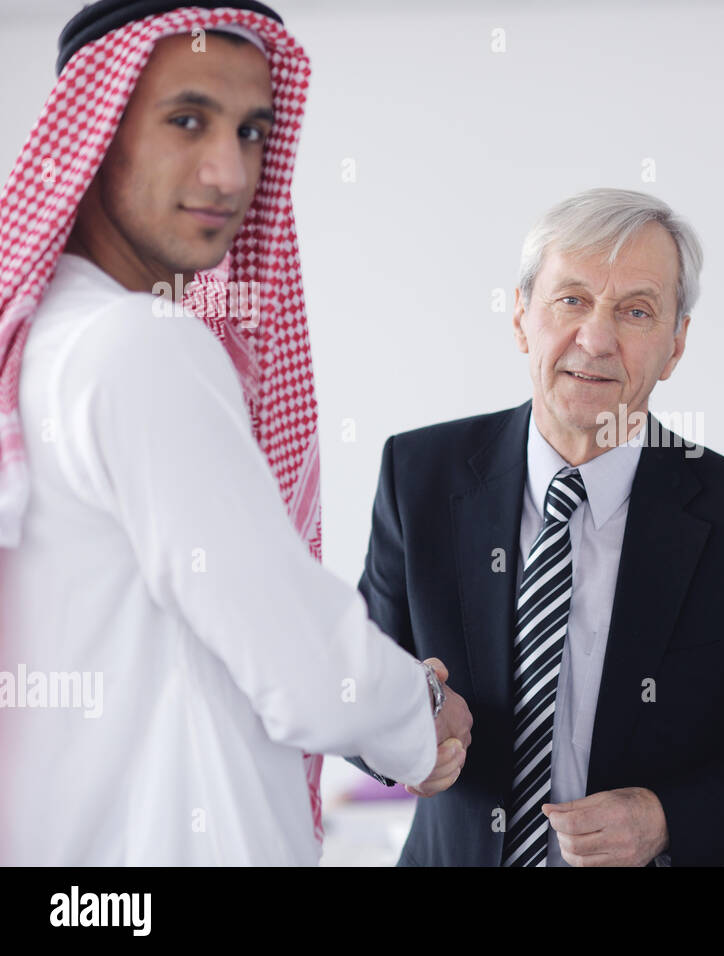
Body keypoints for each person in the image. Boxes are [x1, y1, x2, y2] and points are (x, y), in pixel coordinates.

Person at [0, 1, 466, 865]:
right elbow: (310, 672)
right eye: (188, 121)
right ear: (93, 131)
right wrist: (422, 715)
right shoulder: (137, 343)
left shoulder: (45, 341)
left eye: (253, 132)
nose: (228, 171)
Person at [348, 187, 724, 866]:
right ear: (521, 317)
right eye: (572, 300)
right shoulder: (420, 475)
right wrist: (402, 733)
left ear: (676, 345)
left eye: (636, 311)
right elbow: (352, 681)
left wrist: (665, 819)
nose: (597, 338)